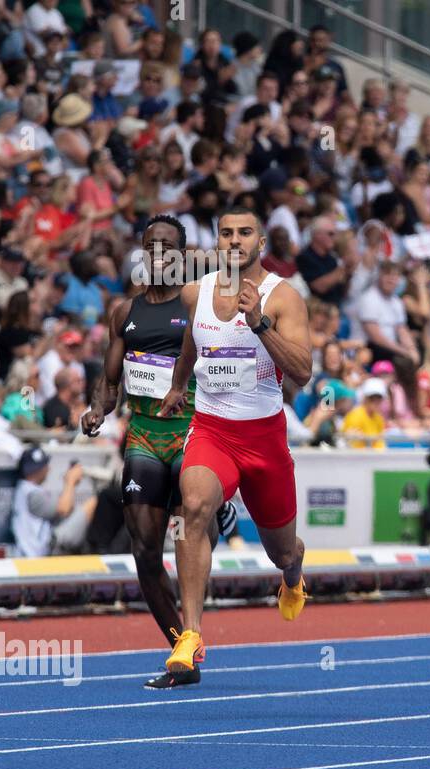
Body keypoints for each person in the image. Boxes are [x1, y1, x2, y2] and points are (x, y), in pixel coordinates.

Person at [157, 206, 313, 676]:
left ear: (260, 243)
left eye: (245, 232)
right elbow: (193, 345)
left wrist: (261, 324)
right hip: (212, 430)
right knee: (193, 508)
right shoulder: (195, 292)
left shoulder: (284, 297)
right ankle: (192, 635)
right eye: (226, 233)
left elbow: (303, 373)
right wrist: (179, 385)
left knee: (282, 550)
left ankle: (292, 578)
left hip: (264, 440)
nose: (234, 240)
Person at [81, 215, 229, 688]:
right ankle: (182, 650)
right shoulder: (124, 312)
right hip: (144, 434)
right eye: (151, 246)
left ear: (183, 256)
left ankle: (214, 517)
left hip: (194, 430)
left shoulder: (201, 307)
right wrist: (96, 410)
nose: (159, 254)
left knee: (192, 515)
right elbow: (109, 380)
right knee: (145, 549)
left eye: (168, 246)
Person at [10, 446, 97, 558]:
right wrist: (70, 481)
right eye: (44, 466)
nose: (48, 469)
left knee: (81, 509)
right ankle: (101, 551)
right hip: (42, 551)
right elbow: (64, 509)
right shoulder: (30, 492)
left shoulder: (26, 488)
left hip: (42, 546)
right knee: (93, 504)